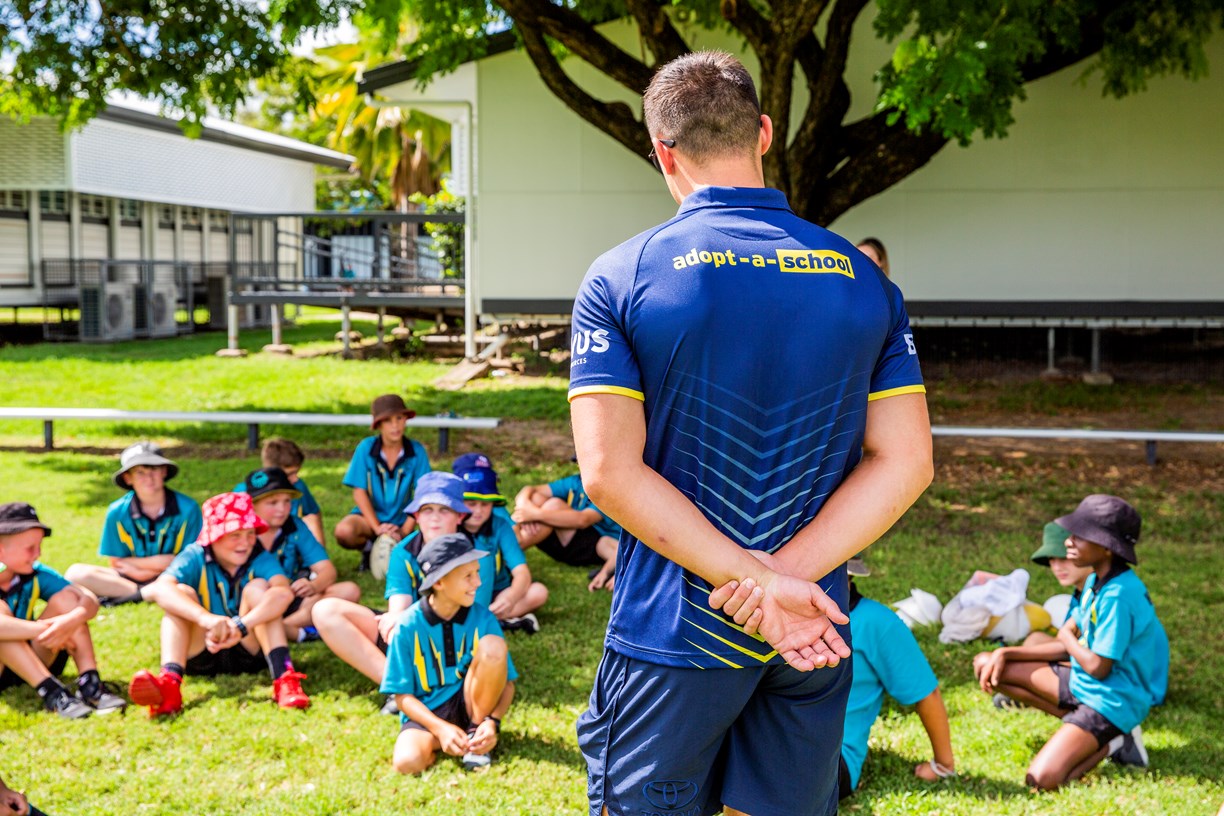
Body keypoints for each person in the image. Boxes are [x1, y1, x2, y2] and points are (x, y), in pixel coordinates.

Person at [567, 51, 932, 816]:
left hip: (679, 632)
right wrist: (783, 583)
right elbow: (906, 463)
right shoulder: (865, 280)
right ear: (764, 132)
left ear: (661, 150)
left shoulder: (622, 275)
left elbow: (608, 474)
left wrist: (755, 584)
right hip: (811, 625)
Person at [976, 495, 1169, 789]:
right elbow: (1066, 642)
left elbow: (1097, 667)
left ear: (1106, 547)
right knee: (988, 666)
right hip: (1082, 685)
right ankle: (1085, 734)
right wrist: (1005, 652)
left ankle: (1112, 741)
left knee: (1040, 780)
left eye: (1080, 537)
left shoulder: (1120, 595)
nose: (1068, 542)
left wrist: (1066, 635)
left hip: (1112, 701)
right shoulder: (1095, 581)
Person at [127, 492, 310, 717]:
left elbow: (283, 592)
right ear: (214, 537)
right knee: (180, 592)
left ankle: (285, 678)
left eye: (250, 533)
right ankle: (169, 684)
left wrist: (241, 625)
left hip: (250, 647)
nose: (245, 542)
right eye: (235, 535)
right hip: (201, 646)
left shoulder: (260, 556)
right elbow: (161, 588)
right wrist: (206, 619)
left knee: (260, 589)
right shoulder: (195, 554)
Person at [312, 471, 467, 713]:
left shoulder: (474, 553)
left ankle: (431, 688)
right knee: (325, 610)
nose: (434, 518)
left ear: (460, 516)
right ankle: (400, 688)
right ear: (416, 515)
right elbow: (399, 605)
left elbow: (471, 613)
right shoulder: (404, 551)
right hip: (412, 636)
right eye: (427, 510)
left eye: (444, 510)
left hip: (458, 640)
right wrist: (396, 618)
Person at [381, 533, 516, 774]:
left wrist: (491, 722)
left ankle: (475, 737)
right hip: (427, 715)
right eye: (468, 576)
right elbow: (402, 697)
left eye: (477, 573)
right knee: (407, 762)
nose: (478, 583)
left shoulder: (484, 618)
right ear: (439, 583)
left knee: (493, 646)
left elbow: (508, 685)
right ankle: (451, 740)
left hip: (473, 705)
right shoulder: (407, 626)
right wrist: (440, 728)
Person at [838, 558, 955, 798]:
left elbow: (926, 692)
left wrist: (943, 764)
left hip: (832, 760)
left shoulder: (876, 621)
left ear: (849, 576)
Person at [0, 503, 126, 719]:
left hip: (36, 656)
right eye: (30, 548)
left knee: (68, 601)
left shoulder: (34, 573)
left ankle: (90, 684)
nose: (38, 554)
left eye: (39, 546)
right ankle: (53, 693)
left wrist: (69, 620)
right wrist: (44, 629)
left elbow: (88, 599)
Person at [64, 441, 202, 607]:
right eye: (140, 472)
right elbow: (116, 563)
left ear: (164, 471)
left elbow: (190, 561)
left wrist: (138, 564)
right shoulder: (117, 511)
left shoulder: (188, 509)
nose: (148, 478)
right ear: (128, 478)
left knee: (187, 586)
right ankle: (146, 593)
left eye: (154, 470)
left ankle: (140, 593)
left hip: (175, 577)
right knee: (75, 573)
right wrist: (160, 562)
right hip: (130, 578)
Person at [974, 521, 1094, 709]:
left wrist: (1011, 655)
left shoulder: (1100, 594)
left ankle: (1073, 715)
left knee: (987, 663)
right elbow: (1066, 644)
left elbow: (1097, 661)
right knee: (1035, 639)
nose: (1056, 567)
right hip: (1089, 666)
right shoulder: (1082, 592)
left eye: (1064, 558)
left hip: (1117, 686)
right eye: (1051, 560)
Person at [241, 467, 360, 642]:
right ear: (252, 505)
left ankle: (277, 628)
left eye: (287, 501)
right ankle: (278, 627)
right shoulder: (241, 532)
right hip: (251, 602)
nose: (282, 509)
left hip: (290, 599)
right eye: (272, 503)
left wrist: (313, 586)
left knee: (349, 590)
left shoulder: (294, 525)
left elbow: (327, 570)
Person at [334, 394, 432, 579]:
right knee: (344, 531)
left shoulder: (417, 451)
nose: (395, 426)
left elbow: (423, 494)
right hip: (371, 518)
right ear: (378, 425)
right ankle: (369, 550)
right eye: (387, 421)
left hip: (405, 519)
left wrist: (404, 530)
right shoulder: (366, 448)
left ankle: (403, 555)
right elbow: (359, 492)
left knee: (434, 534)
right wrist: (377, 527)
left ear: (406, 420)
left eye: (399, 419)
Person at [453, 454, 548, 632]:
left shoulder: (501, 525)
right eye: (471, 503)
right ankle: (495, 621)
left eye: (486, 504)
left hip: (497, 592)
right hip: (458, 592)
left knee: (538, 592)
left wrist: (511, 598)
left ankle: (486, 619)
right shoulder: (450, 525)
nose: (478, 511)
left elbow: (521, 572)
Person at [512, 472, 622, 592]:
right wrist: (523, 504)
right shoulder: (576, 481)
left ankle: (508, 550)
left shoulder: (608, 488)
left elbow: (583, 520)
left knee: (554, 505)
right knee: (535, 498)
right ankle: (510, 539)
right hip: (569, 537)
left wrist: (535, 514)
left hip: (593, 544)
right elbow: (531, 490)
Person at [234, 437, 325, 547]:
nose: (295, 478)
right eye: (289, 474)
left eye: (297, 472)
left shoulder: (297, 486)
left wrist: (319, 549)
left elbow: (312, 513)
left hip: (288, 546)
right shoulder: (244, 491)